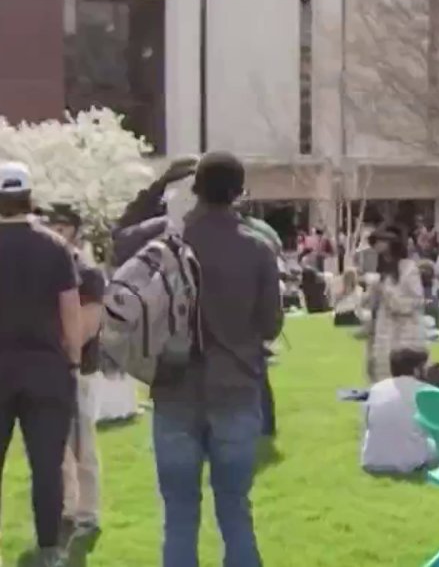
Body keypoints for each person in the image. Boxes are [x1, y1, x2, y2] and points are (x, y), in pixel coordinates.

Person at [113, 152, 283, 567]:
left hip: (174, 387)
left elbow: (118, 237)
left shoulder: (164, 237)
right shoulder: (257, 249)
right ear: (240, 193)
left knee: (179, 514)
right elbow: (270, 325)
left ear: (193, 189)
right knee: (234, 506)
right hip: (237, 387)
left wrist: (156, 186)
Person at [0, 163, 86, 566]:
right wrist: (73, 359)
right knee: (47, 466)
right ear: (29, 196)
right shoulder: (54, 246)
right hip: (46, 371)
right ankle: (49, 547)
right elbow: (70, 312)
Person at [45, 205, 107, 536]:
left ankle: (88, 511)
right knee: (57, 447)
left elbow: (86, 327)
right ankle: (68, 507)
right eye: (50, 224)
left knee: (82, 444)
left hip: (80, 369)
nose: (55, 231)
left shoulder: (88, 273)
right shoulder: (45, 268)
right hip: (49, 369)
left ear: (75, 230)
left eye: (62, 226)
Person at [361, 348, 438, 474]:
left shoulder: (377, 388)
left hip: (372, 461)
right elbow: (438, 428)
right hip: (410, 461)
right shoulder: (426, 391)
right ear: (416, 370)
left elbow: (368, 423)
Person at [369, 230, 426, 381]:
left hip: (406, 331)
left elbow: (416, 301)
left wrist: (388, 293)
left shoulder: (409, 269)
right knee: (381, 372)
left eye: (381, 241)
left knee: (405, 376)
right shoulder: (382, 271)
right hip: (384, 329)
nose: (377, 246)